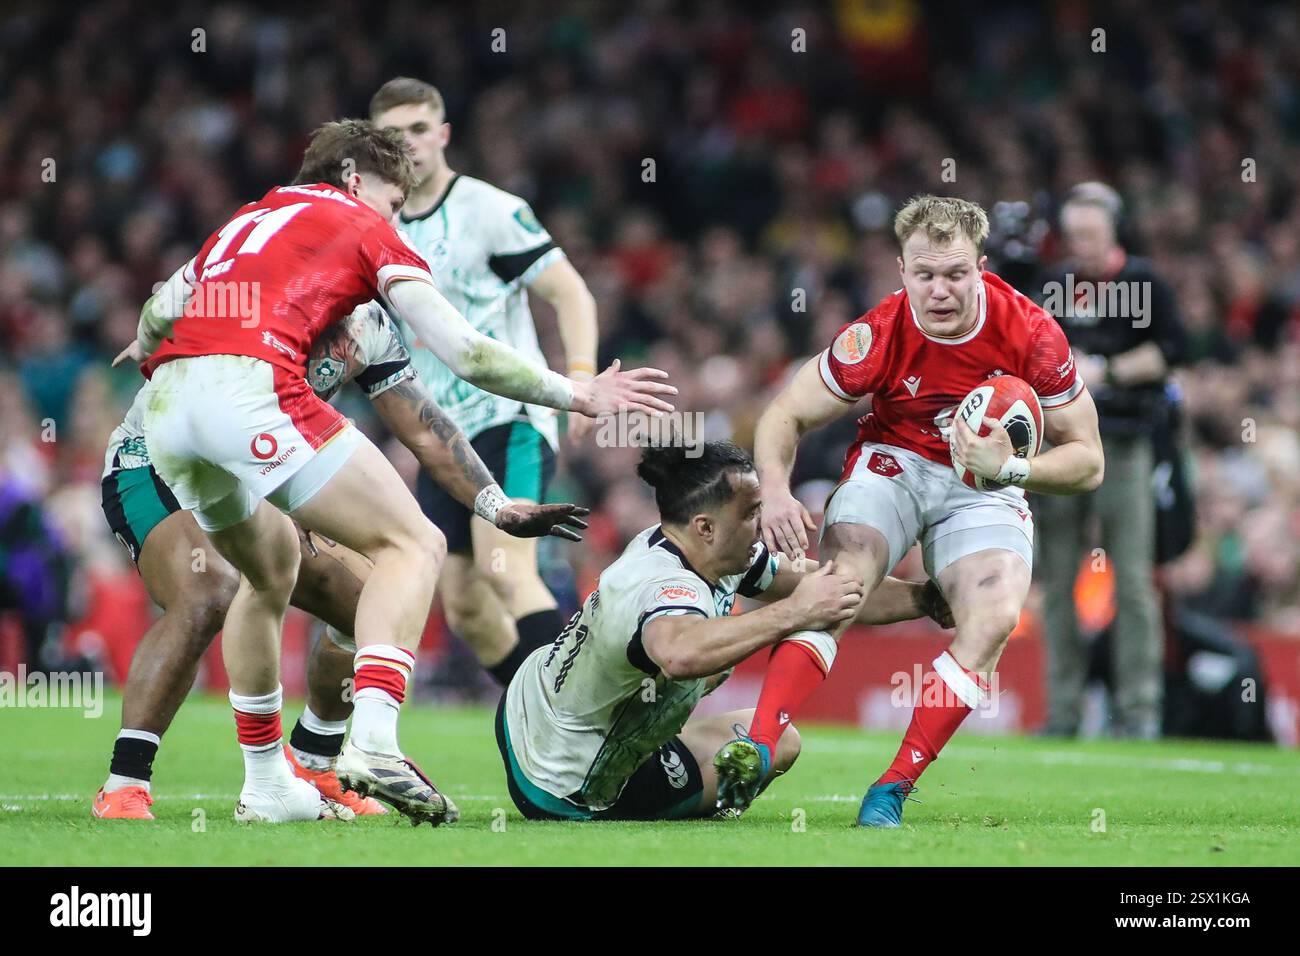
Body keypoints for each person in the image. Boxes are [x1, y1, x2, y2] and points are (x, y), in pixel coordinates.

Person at [125, 119, 675, 824]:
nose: (398, 216)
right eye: (394, 200)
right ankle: (376, 741)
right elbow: (466, 353)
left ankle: (266, 783)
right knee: (414, 545)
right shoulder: (360, 221)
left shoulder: (248, 217)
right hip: (251, 389)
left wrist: (138, 345)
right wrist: (579, 393)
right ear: (356, 180)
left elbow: (157, 311)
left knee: (266, 578)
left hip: (169, 406)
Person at [94, 301, 588, 820]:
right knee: (207, 592)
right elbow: (203, 279)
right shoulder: (262, 293)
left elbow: (423, 428)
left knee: (369, 603)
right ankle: (125, 782)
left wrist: (496, 505)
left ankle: (314, 761)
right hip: (155, 457)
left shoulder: (371, 326)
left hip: (259, 463)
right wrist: (156, 325)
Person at [725, 195, 1104, 827]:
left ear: (981, 267)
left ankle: (893, 787)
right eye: (924, 275)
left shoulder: (1032, 331)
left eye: (955, 274)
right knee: (840, 585)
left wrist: (1009, 469)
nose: (940, 290)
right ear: (902, 271)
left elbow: (1089, 460)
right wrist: (778, 487)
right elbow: (783, 413)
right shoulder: (878, 333)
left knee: (993, 619)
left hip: (985, 483)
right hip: (893, 464)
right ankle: (760, 745)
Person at [497, 441, 953, 822]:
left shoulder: (709, 551)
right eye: (753, 511)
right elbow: (678, 654)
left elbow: (831, 589)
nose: (764, 522)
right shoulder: (663, 583)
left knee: (781, 741)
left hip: (531, 702)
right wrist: (794, 612)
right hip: (562, 777)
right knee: (706, 689)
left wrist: (927, 600)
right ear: (706, 527)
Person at [369, 78, 599, 687]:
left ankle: (574, 713)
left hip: (510, 416)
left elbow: (569, 291)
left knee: (506, 567)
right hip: (439, 436)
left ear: (443, 134)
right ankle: (540, 702)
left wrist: (578, 379)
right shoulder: (376, 227)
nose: (410, 143)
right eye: (395, 134)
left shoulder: (489, 210)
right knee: (466, 605)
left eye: (420, 129)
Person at [1033, 182, 1188, 739]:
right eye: (1075, 236)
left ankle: (1138, 713)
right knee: (1056, 582)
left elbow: (1174, 350)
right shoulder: (1055, 283)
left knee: (1134, 582)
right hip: (1060, 443)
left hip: (1124, 439)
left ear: (1114, 230)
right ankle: (1063, 712)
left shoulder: (1144, 281)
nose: (1084, 245)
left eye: (1092, 235)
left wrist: (1107, 369)